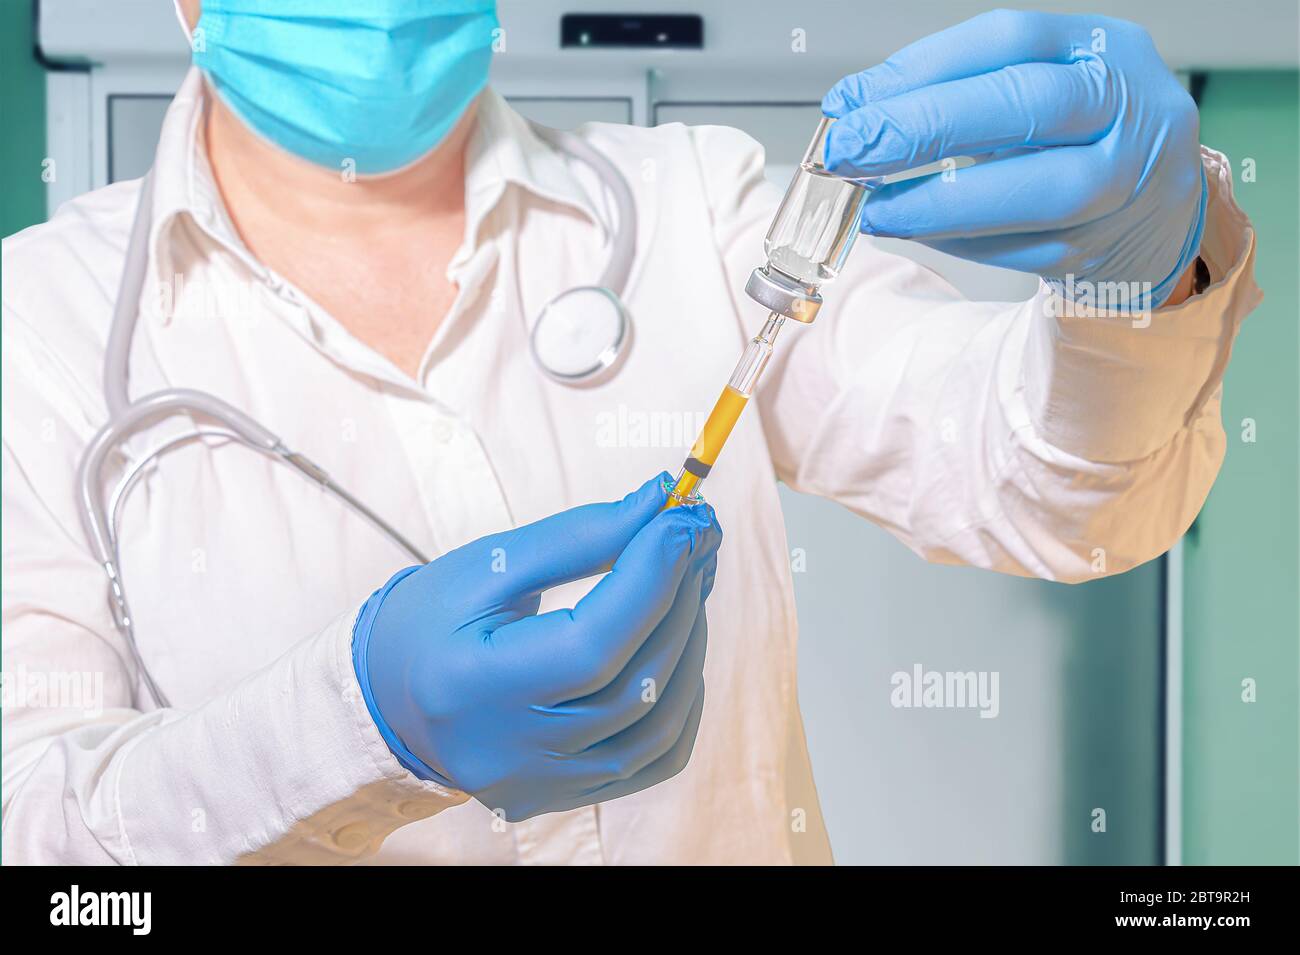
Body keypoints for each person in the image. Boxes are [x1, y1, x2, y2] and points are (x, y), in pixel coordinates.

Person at [0, 1, 1260, 865]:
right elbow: (38, 846)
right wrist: (356, 725)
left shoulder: (700, 205)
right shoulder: (35, 327)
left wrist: (1139, 280)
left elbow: (1062, 498)